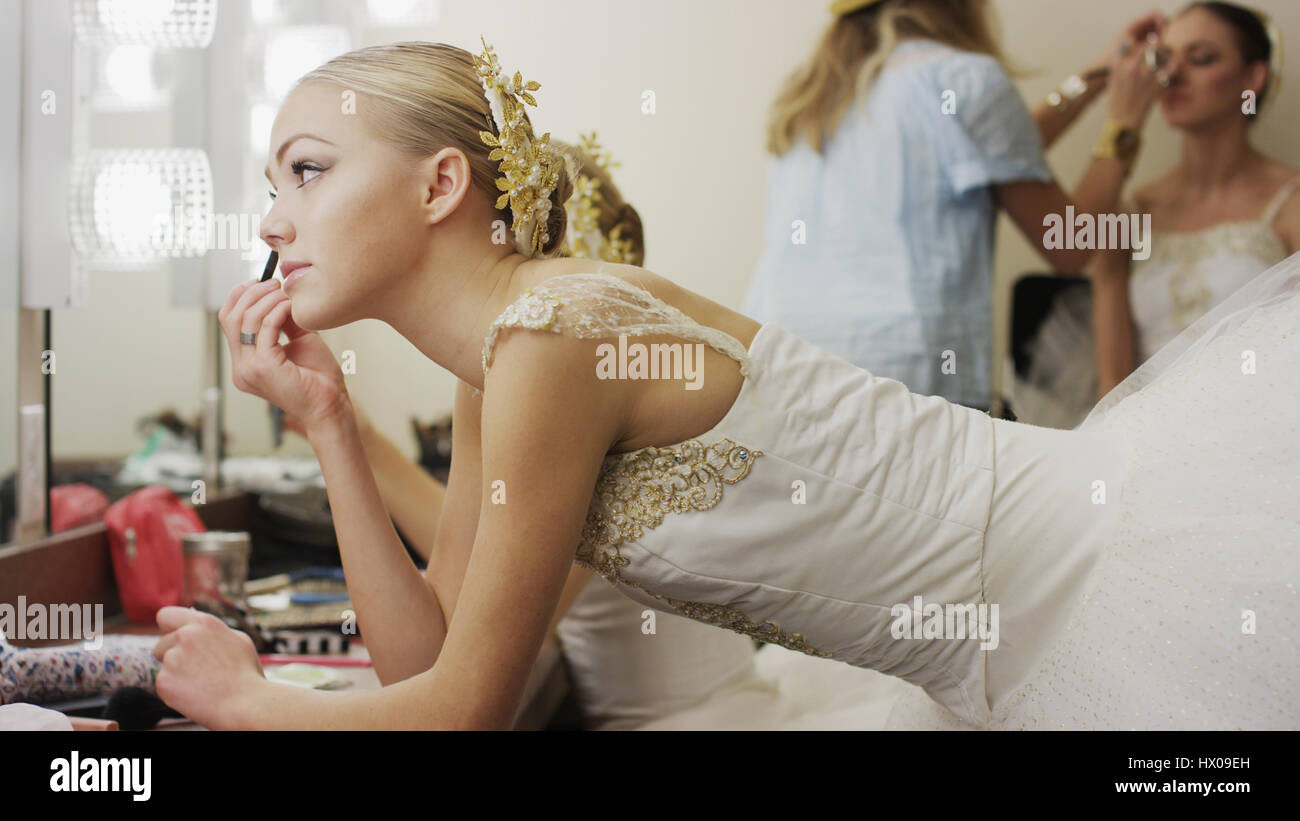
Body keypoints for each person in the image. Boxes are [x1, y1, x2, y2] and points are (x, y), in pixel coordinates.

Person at [151, 38, 1298, 730]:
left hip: (1093, 580)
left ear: (442, 182)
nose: (270, 219)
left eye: (306, 170)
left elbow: (464, 712)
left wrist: (261, 702)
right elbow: (427, 661)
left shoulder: (555, 336)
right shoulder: (502, 361)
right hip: (988, 661)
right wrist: (329, 424)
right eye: (272, 183)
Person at [741, 0, 1165, 412]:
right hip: (904, 384)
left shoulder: (812, 92)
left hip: (777, 364)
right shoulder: (965, 79)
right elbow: (1071, 247)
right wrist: (1124, 124)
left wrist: (1090, 81)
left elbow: (988, 155)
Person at [1091, 1, 1299, 395]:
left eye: (1201, 58)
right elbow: (1112, 384)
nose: (1172, 75)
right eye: (1163, 59)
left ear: (1253, 77)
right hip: (1142, 432)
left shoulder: (1290, 204)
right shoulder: (1132, 213)